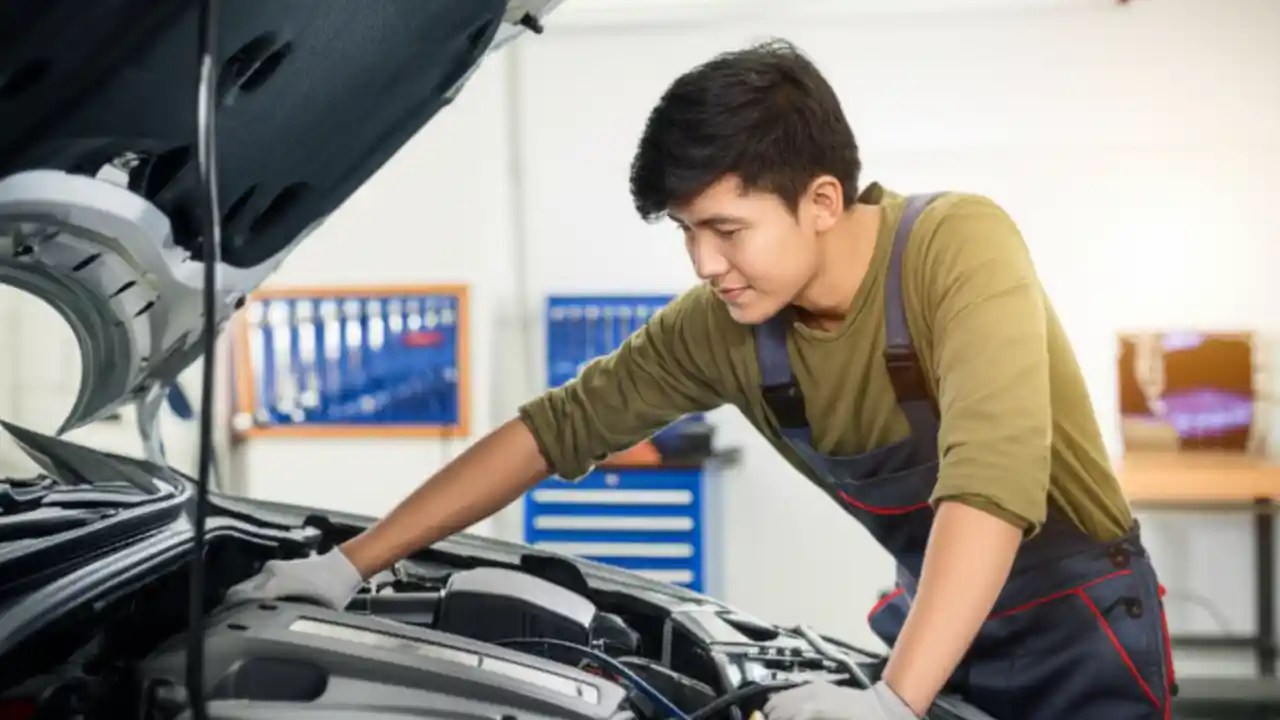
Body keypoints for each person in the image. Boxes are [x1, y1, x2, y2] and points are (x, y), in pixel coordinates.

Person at [226, 39, 1176, 720]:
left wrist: (893, 701)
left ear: (821, 200)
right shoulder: (724, 326)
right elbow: (553, 431)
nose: (705, 263)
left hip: (1079, 632)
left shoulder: (956, 246)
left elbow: (992, 480)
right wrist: (348, 565)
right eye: (687, 232)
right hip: (935, 623)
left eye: (726, 229)